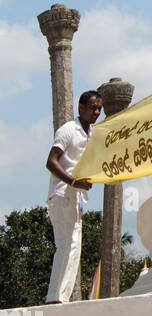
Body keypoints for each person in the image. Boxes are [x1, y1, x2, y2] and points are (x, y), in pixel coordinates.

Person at [44, 90, 103, 304]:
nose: (96, 112)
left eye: (99, 109)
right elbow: (51, 161)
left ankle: (61, 297)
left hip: (75, 197)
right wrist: (72, 181)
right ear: (81, 108)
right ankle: (55, 297)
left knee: (74, 246)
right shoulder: (69, 129)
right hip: (62, 193)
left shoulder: (92, 132)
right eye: (92, 107)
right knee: (67, 244)